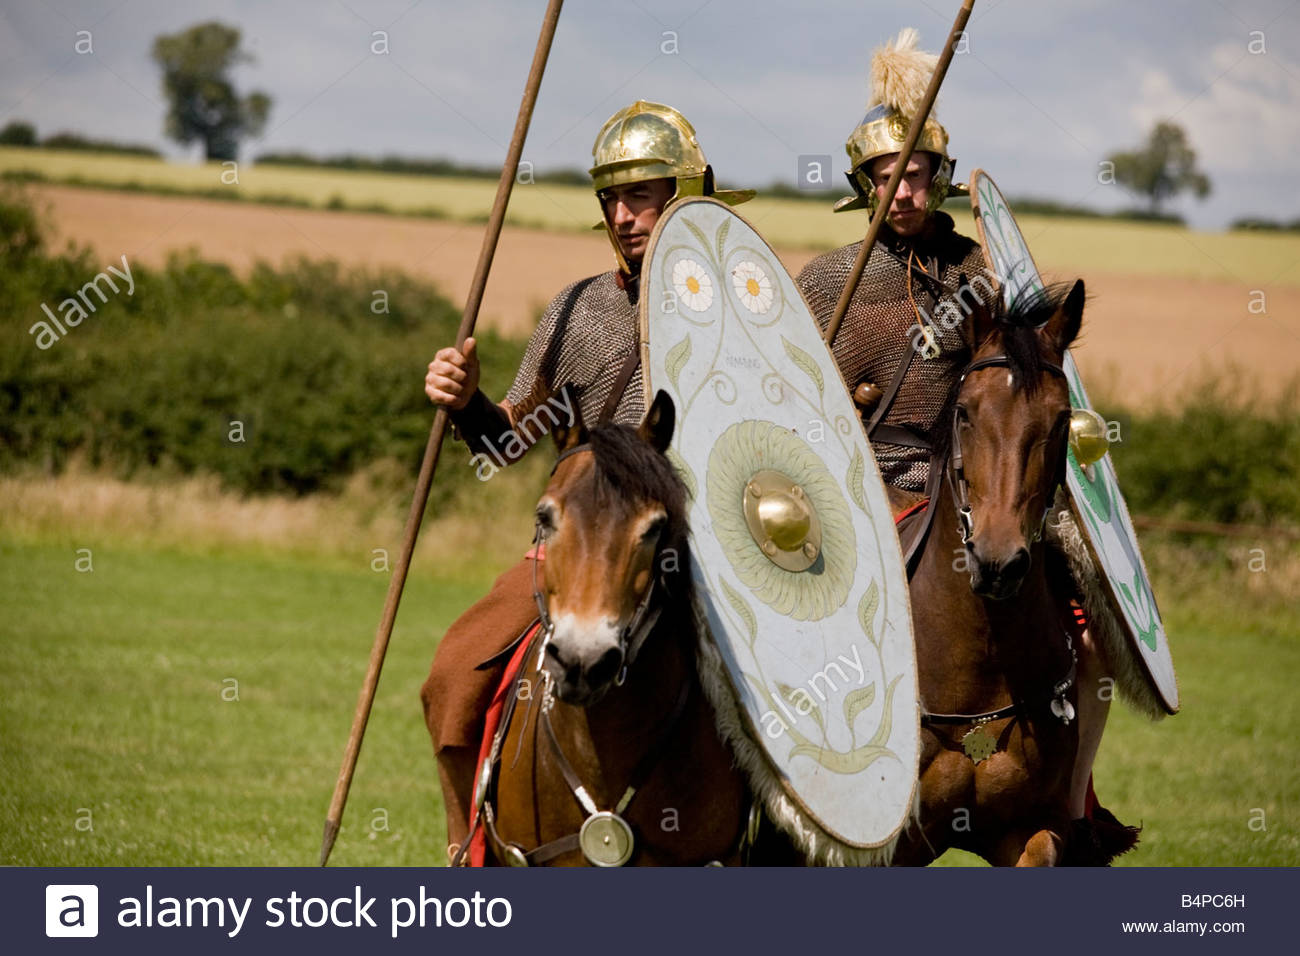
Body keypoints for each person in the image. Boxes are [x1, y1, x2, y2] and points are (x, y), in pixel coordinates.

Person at [795, 29, 1136, 862]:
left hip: (976, 479)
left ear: (937, 179)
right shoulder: (829, 281)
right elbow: (791, 394)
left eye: (914, 174)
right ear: (862, 186)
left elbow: (1031, 364)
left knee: (1087, 620)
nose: (901, 191)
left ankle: (1072, 795)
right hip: (863, 477)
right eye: (885, 177)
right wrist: (842, 397)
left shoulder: (980, 274)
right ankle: (797, 786)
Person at [420, 100, 753, 860]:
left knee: (800, 706)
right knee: (451, 678)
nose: (624, 215)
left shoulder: (737, 313)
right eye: (610, 197)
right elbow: (511, 442)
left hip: (700, 557)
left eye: (642, 194)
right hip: (576, 550)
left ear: (689, 195)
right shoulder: (579, 310)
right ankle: (467, 845)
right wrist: (466, 400)